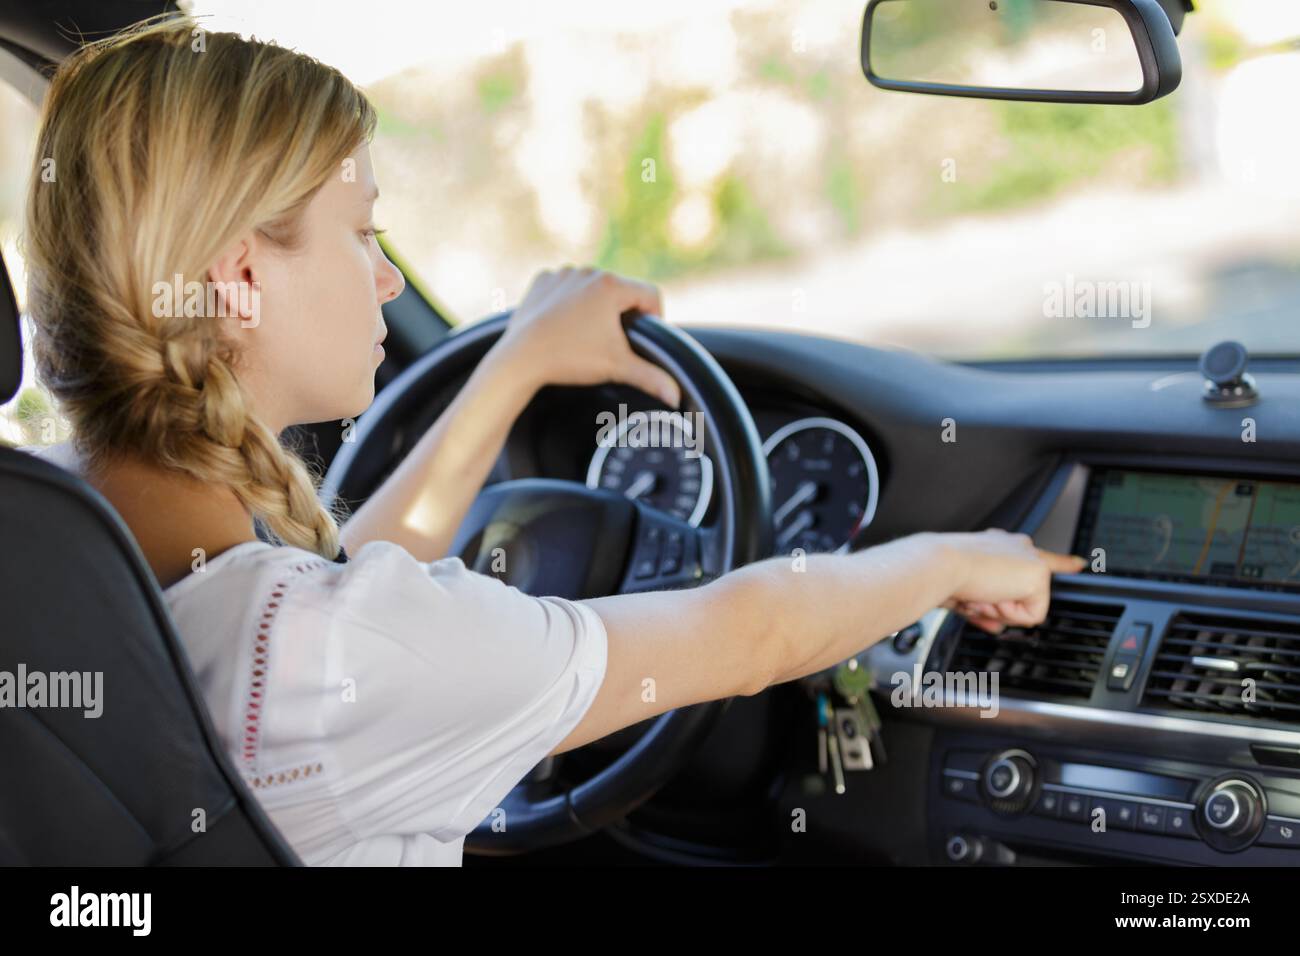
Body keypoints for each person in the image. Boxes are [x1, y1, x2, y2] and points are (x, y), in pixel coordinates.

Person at [20, 16, 1085, 866]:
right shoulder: (337, 650)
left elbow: (338, 593)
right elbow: (753, 629)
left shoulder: (51, 543)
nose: (387, 276)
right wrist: (956, 557)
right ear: (242, 276)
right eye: (361, 233)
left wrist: (517, 363)